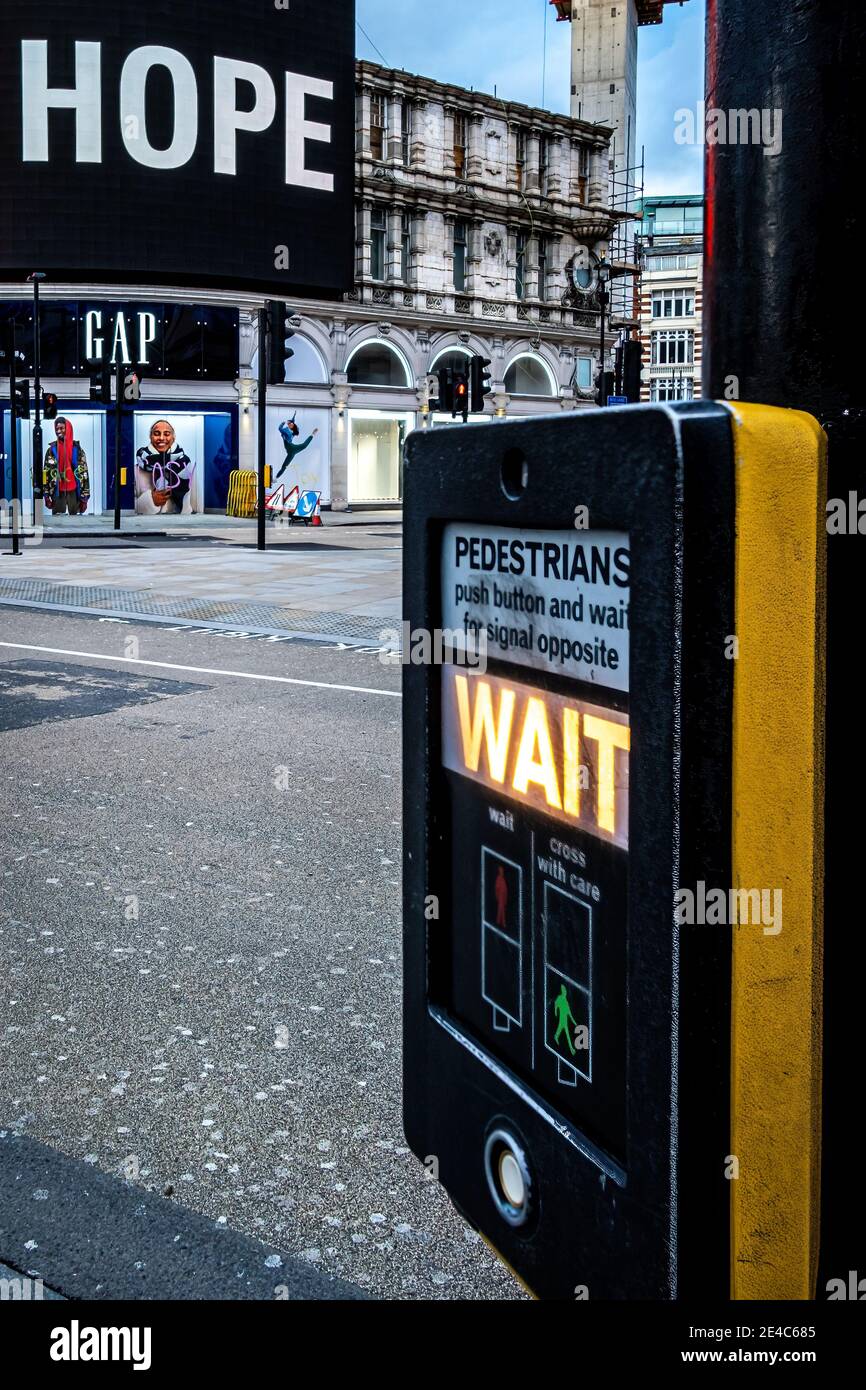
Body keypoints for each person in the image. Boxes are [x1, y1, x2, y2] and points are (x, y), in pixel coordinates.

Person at [135, 420, 195, 514]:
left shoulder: (186, 466)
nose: (162, 438)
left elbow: (197, 505)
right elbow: (125, 506)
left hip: (180, 525)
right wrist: (150, 500)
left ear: (173, 437)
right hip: (147, 525)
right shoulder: (136, 470)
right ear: (151, 437)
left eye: (167, 434)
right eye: (157, 434)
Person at [43, 417, 90, 515]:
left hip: (74, 491)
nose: (58, 431)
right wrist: (46, 495)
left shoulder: (77, 450)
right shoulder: (51, 450)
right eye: (57, 429)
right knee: (58, 522)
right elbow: (45, 473)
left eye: (61, 428)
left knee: (75, 522)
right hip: (57, 491)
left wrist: (85, 498)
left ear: (68, 428)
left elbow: (84, 473)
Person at [275, 414, 318, 480]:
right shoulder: (285, 430)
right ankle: (275, 478)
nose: (291, 425)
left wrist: (293, 417)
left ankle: (275, 478)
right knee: (284, 466)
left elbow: (293, 421)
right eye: (290, 424)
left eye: (292, 425)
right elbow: (280, 428)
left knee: (284, 466)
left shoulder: (292, 431)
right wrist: (283, 423)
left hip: (292, 450)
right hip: (290, 447)